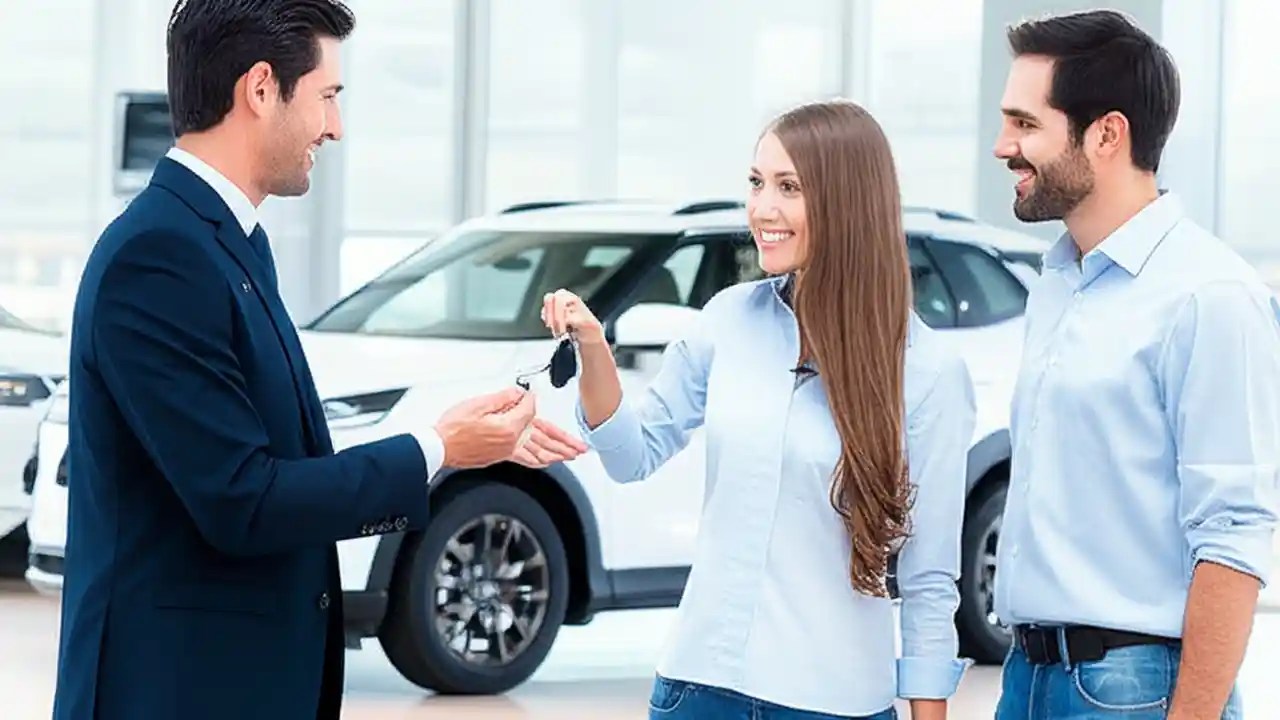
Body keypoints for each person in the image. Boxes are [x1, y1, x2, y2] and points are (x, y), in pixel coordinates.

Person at [52, 2, 585, 719]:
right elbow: (243, 501)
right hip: (176, 689)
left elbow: (274, 461)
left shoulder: (230, 243)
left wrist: (447, 442)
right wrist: (437, 447)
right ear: (262, 88)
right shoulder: (160, 258)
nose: (335, 127)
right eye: (328, 97)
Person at [542, 99, 976, 720]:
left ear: (848, 202)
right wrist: (592, 345)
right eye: (756, 183)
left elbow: (932, 580)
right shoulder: (727, 319)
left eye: (789, 187)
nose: (761, 209)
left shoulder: (928, 372)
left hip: (832, 703)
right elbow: (631, 456)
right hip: (697, 689)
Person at [991, 9, 1280, 720]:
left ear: (1107, 134)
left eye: (1025, 124)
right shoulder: (1057, 283)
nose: (1003, 146)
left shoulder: (1208, 295)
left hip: (1132, 692)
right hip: (1026, 679)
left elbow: (1234, 536)